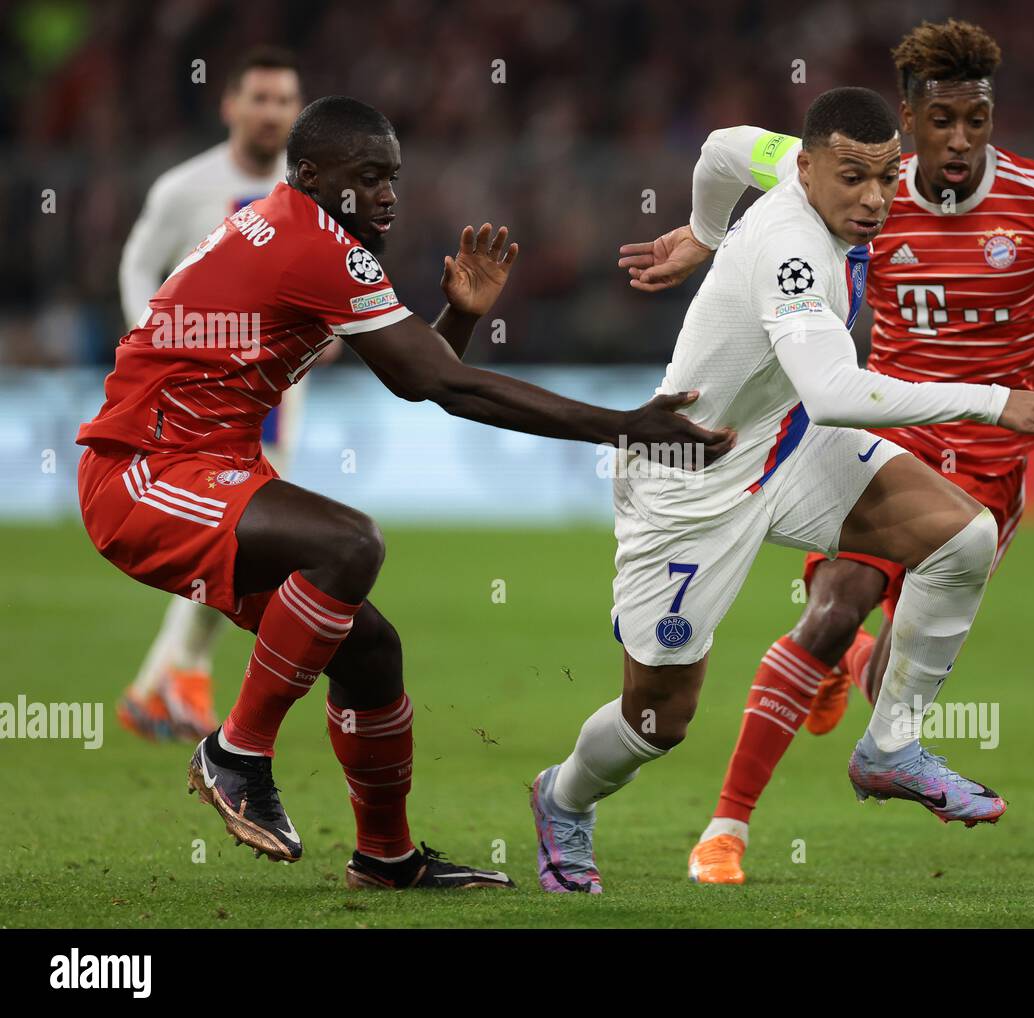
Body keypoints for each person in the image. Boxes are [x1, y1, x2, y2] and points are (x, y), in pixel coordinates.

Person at [77, 95, 734, 891]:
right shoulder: (317, 246)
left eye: (393, 176)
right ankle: (236, 752)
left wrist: (454, 321)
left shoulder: (301, 228)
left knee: (370, 650)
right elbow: (447, 389)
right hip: (143, 473)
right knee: (350, 543)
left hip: (208, 466)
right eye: (368, 177)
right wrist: (624, 426)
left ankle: (385, 857)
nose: (388, 194)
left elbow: (418, 377)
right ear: (313, 176)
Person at [619, 19, 1034, 885]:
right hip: (887, 433)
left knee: (886, 666)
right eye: (941, 120)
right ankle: (725, 833)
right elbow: (747, 175)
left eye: (975, 122)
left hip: (992, 464)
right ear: (907, 119)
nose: (959, 140)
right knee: (832, 611)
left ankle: (869, 683)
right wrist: (707, 236)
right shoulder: (869, 192)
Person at [530, 86, 1034, 894]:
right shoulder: (793, 250)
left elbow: (718, 146)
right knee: (657, 721)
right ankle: (563, 798)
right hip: (692, 482)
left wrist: (704, 236)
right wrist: (997, 400)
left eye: (888, 178)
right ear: (812, 169)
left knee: (962, 538)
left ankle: (889, 746)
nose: (874, 199)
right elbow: (836, 392)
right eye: (853, 178)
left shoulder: (792, 158)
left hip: (783, 446)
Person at [116, 46, 316, 742]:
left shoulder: (307, 188)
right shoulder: (186, 188)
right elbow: (138, 262)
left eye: (284, 101)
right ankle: (176, 679)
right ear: (229, 105)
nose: (271, 113)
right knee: (234, 527)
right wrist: (155, 341)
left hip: (275, 393)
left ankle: (161, 684)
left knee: (241, 529)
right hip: (195, 392)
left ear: (297, 112)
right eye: (258, 98)